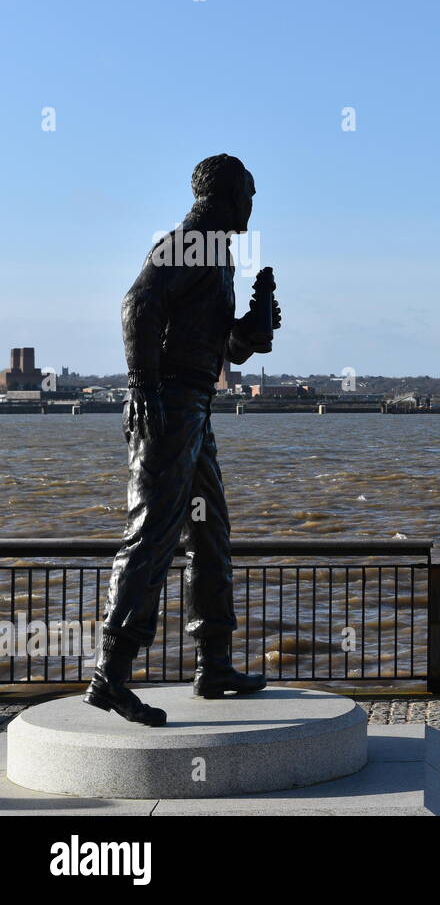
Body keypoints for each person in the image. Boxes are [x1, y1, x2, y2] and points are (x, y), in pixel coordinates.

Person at [85, 154, 281, 726]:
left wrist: (254, 325)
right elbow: (137, 304)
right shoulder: (188, 240)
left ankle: (214, 663)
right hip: (169, 404)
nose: (251, 207)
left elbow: (225, 349)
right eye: (248, 194)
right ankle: (110, 675)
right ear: (225, 195)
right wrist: (142, 384)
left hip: (197, 404)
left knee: (209, 534)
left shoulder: (217, 256)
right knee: (152, 535)